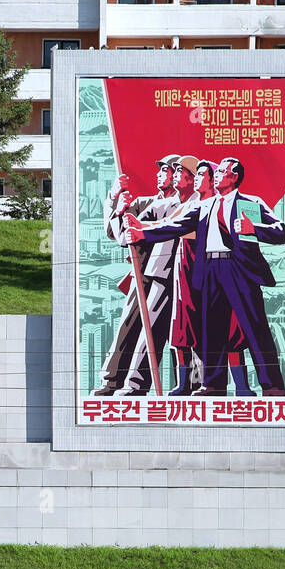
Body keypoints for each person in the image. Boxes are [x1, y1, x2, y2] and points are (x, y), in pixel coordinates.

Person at [125, 156, 285, 397]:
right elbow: (174, 226)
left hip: (239, 271)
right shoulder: (204, 207)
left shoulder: (250, 203)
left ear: (234, 177)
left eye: (222, 172)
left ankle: (273, 387)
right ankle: (213, 385)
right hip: (210, 271)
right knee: (211, 331)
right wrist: (142, 232)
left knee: (256, 329)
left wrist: (253, 229)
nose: (217, 176)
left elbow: (281, 231)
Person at [93, 154, 180, 396]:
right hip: (142, 274)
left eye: (166, 170)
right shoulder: (144, 202)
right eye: (159, 169)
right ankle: (112, 382)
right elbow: (116, 232)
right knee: (127, 328)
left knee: (162, 334)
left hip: (172, 276)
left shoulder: (183, 204)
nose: (159, 174)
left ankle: (140, 385)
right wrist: (115, 201)